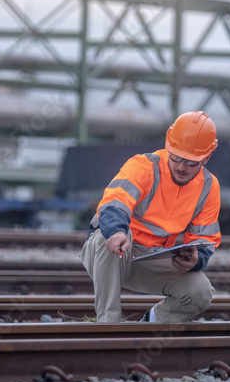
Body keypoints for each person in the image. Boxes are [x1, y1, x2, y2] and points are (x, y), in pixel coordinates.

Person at [80, 110, 222, 323]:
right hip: (114, 254)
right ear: (168, 146)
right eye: (176, 158)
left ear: (206, 157)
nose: (182, 167)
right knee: (107, 234)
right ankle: (108, 326)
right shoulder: (143, 166)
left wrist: (195, 259)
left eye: (192, 162)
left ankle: (151, 323)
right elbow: (115, 202)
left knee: (200, 293)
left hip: (153, 257)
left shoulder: (209, 187)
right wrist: (117, 232)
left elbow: (205, 239)